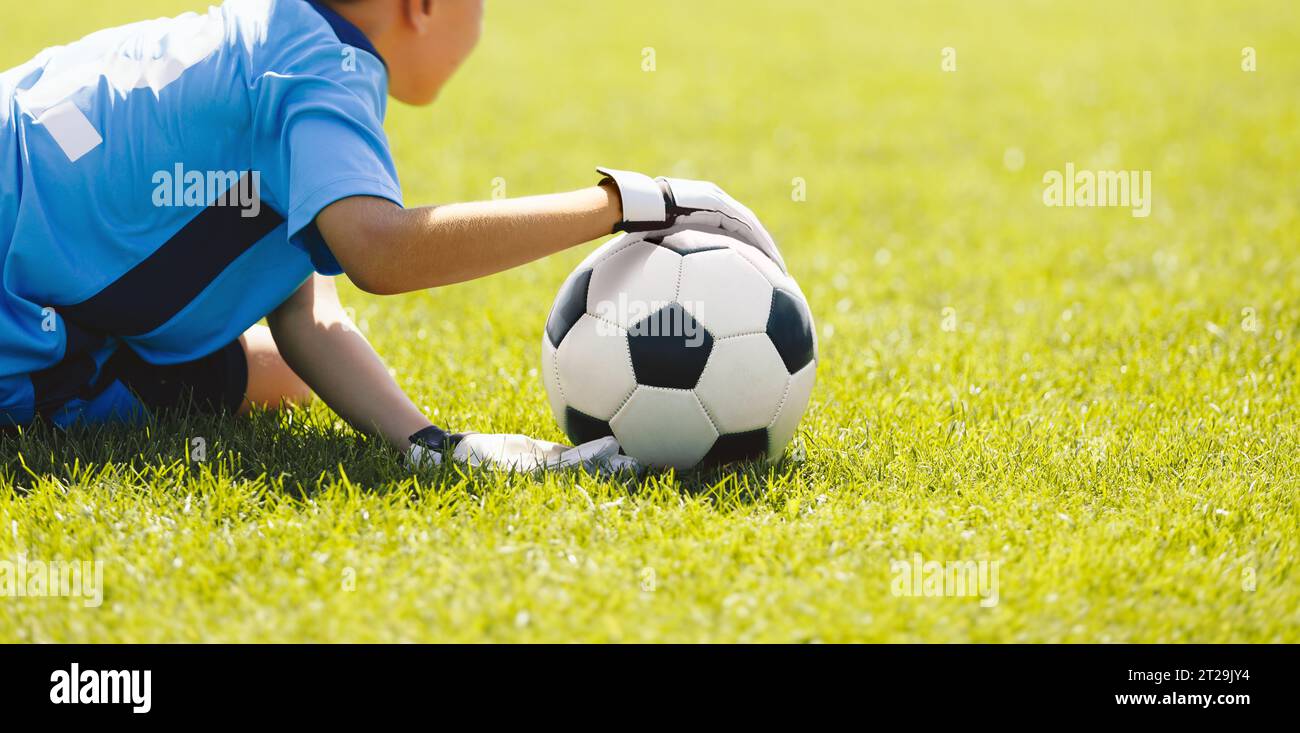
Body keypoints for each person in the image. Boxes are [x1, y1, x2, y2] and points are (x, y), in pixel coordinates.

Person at [0, 0, 784, 472]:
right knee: (157, 386)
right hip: (16, 313)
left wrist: (433, 441)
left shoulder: (276, 34)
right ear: (423, 4)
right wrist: (622, 202)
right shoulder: (325, 73)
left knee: (281, 375)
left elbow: (308, 316)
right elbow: (380, 251)